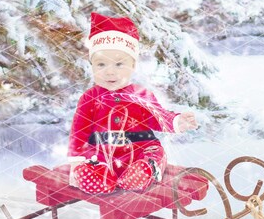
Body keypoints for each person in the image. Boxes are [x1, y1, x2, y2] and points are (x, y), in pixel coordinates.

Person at [67, 13, 198, 193]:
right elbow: (79, 131)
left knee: (154, 153)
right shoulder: (90, 98)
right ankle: (99, 177)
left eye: (119, 64)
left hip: (139, 149)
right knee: (91, 163)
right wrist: (76, 161)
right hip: (104, 154)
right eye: (101, 65)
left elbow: (158, 117)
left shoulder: (141, 94)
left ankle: (145, 170)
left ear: (133, 65)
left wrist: (176, 122)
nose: (109, 72)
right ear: (92, 65)